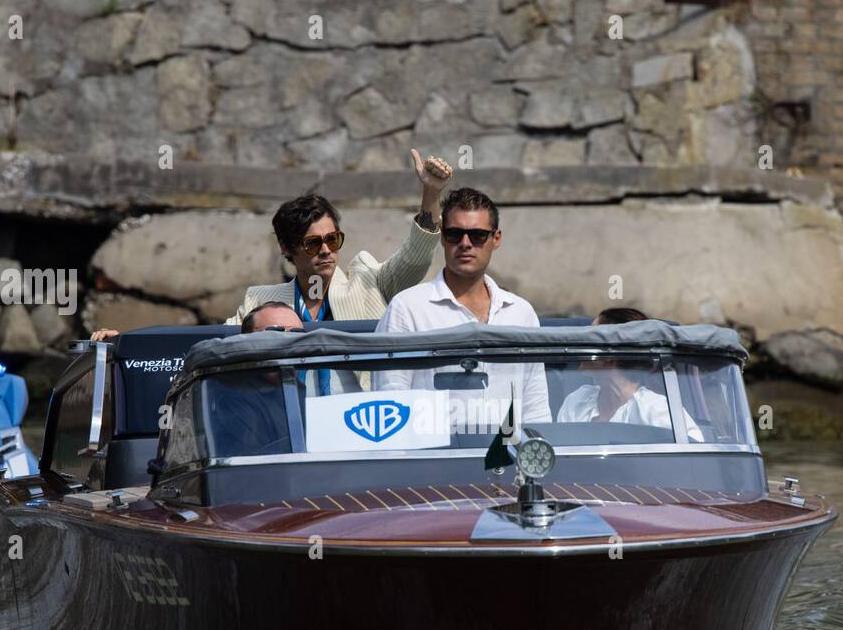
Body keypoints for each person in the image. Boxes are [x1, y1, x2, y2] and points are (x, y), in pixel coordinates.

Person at [91, 149, 453, 348]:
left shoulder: (373, 281)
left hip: (358, 422)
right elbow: (203, 343)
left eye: (333, 239)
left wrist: (431, 194)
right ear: (287, 249)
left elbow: (416, 254)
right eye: (312, 243)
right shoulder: (259, 301)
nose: (326, 250)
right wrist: (128, 344)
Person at [375, 186, 549, 426]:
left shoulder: (522, 313)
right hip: (432, 459)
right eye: (455, 234)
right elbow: (389, 404)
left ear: (495, 239)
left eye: (477, 235)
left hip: (506, 459)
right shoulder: (407, 308)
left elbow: (536, 410)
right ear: (442, 237)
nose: (465, 243)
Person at [557, 306, 704, 440]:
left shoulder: (656, 410)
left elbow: (696, 457)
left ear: (610, 353)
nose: (579, 343)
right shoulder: (577, 401)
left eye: (589, 337)